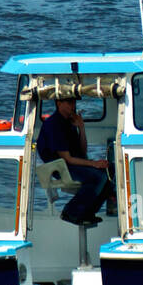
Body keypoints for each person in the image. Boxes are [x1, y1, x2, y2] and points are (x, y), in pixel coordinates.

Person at [37, 95, 114, 226]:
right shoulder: (54, 124)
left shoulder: (69, 122)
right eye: (69, 102)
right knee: (97, 178)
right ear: (58, 103)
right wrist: (94, 164)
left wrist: (81, 128)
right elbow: (67, 158)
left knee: (109, 170)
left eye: (73, 102)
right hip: (59, 167)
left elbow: (82, 152)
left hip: (72, 164)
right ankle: (70, 211)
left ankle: (88, 212)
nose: (72, 106)